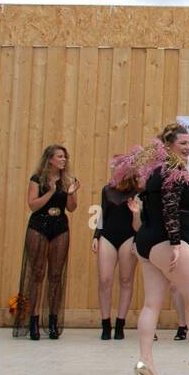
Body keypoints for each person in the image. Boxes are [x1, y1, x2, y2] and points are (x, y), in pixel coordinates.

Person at [115, 124, 189, 375]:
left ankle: (145, 362)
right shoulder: (174, 171)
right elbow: (170, 208)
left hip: (146, 243)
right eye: (182, 143)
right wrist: (176, 242)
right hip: (165, 241)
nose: (187, 147)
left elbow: (154, 207)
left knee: (152, 302)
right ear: (169, 145)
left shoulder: (155, 172)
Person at [14, 144, 79, 340]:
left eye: (65, 157)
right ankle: (33, 320)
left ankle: (52, 321)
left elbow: (72, 208)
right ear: (49, 159)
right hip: (39, 225)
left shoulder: (68, 180)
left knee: (56, 275)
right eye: (59, 156)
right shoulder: (37, 179)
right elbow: (33, 205)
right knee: (37, 273)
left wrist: (71, 193)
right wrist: (50, 192)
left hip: (60, 225)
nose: (63, 160)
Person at [93, 169, 139, 340]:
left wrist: (135, 214)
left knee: (126, 280)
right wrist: (96, 236)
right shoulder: (107, 190)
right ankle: (105, 323)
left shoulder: (137, 192)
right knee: (105, 279)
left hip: (129, 236)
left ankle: (120, 324)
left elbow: (139, 223)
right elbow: (102, 214)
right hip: (108, 236)